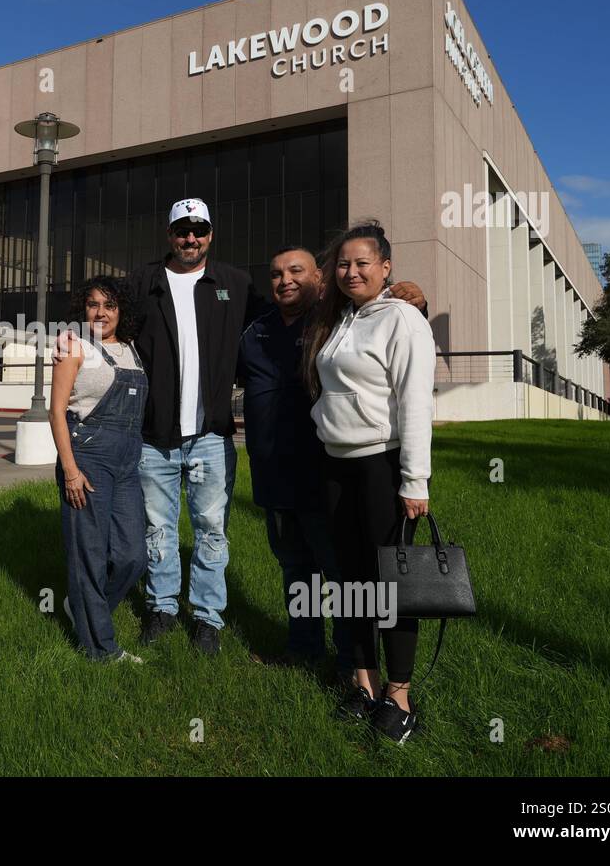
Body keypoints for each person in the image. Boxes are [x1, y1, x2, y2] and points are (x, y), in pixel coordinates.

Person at [59, 198, 261, 656]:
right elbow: (103, 320)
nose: (191, 238)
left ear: (210, 233)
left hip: (211, 436)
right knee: (157, 531)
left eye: (200, 229)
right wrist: (70, 334)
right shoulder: (143, 282)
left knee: (211, 530)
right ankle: (162, 608)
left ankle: (208, 617)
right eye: (182, 230)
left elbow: (280, 320)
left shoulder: (235, 283)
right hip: (152, 438)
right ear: (169, 234)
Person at [239, 246, 425, 678]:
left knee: (342, 574)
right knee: (295, 569)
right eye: (276, 273)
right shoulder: (256, 330)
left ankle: (351, 661)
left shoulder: (333, 321)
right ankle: (304, 648)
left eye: (296, 271)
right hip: (272, 476)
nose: (285, 280)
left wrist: (414, 295)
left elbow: (382, 323)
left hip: (327, 475)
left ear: (320, 280)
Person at [304, 221, 437, 744]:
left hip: (383, 467)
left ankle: (400, 696)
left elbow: (416, 403)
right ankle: (365, 682)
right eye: (342, 263)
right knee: (353, 581)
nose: (351, 271)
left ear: (386, 267)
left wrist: (415, 480)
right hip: (336, 465)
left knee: (393, 584)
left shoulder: (402, 319)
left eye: (363, 262)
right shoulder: (338, 319)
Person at [50, 276, 149, 662]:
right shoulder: (73, 347)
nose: (101, 312)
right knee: (88, 554)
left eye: (109, 305)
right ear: (83, 310)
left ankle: (85, 610)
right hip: (88, 455)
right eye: (93, 305)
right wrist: (71, 470)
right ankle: (101, 649)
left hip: (127, 460)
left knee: (132, 556)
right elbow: (56, 411)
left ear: (121, 311)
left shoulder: (132, 350)